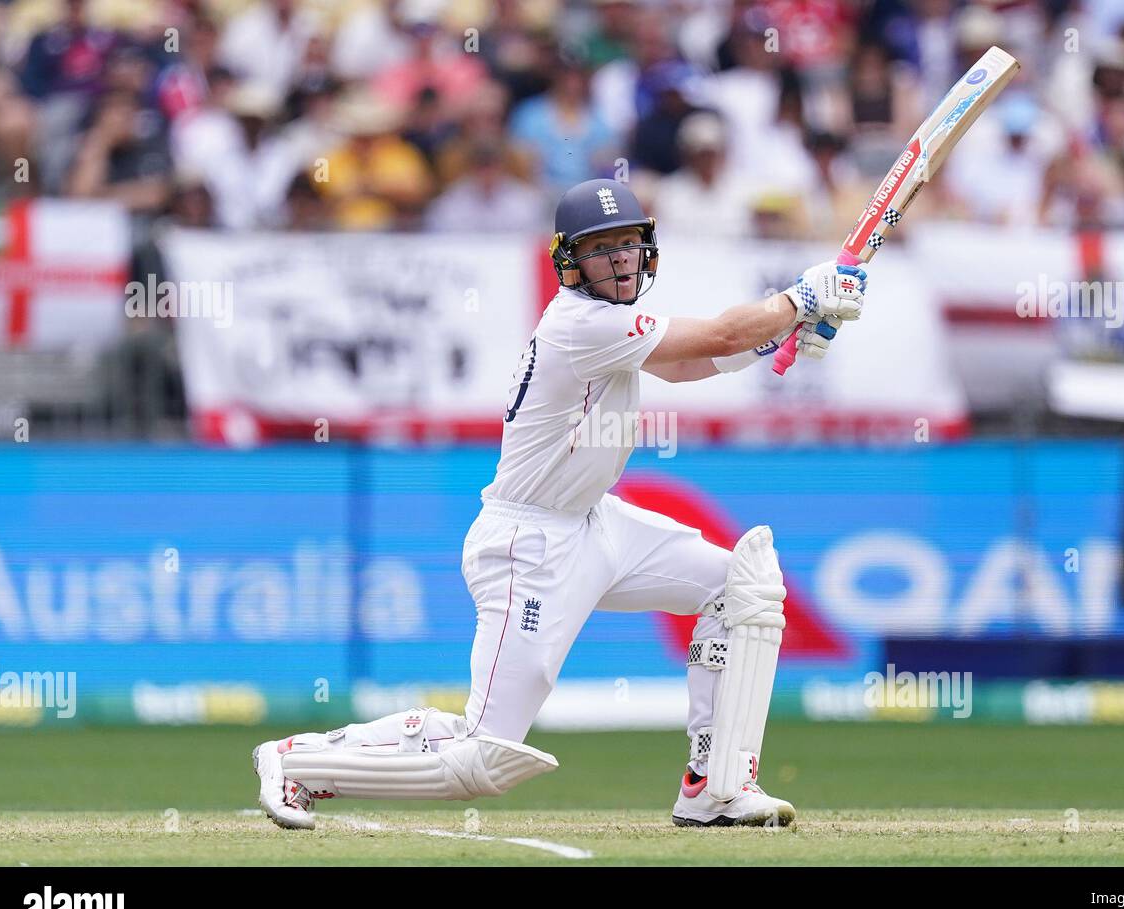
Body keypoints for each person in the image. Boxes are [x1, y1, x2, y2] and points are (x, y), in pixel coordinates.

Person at [252, 179, 867, 829]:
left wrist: (783, 329)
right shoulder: (580, 322)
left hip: (594, 521)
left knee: (740, 586)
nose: (621, 260)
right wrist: (799, 298)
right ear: (570, 261)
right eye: (602, 250)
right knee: (481, 758)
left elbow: (689, 364)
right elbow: (716, 336)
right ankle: (297, 762)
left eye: (629, 244)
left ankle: (715, 786)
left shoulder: (614, 327)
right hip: (529, 542)